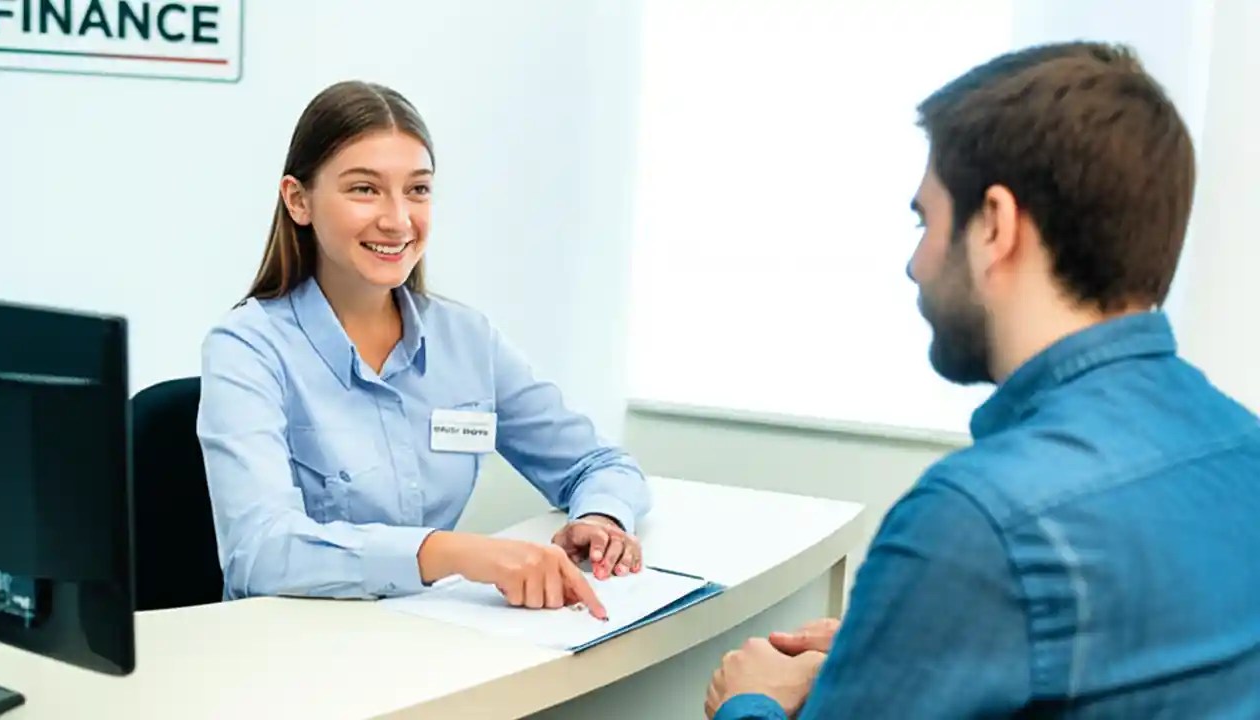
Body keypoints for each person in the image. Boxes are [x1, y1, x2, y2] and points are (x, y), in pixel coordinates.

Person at [706, 41, 1260, 718]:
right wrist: (891, 648)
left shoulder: (975, 519)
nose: (915, 263)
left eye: (925, 221)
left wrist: (753, 703)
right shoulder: (1243, 446)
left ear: (994, 225)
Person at [196, 81, 651, 619]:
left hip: (428, 640)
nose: (397, 220)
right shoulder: (248, 347)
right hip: (290, 651)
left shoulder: (467, 340)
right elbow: (261, 553)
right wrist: (457, 553)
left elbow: (599, 463)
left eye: (417, 190)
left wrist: (602, 522)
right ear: (299, 200)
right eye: (364, 189)